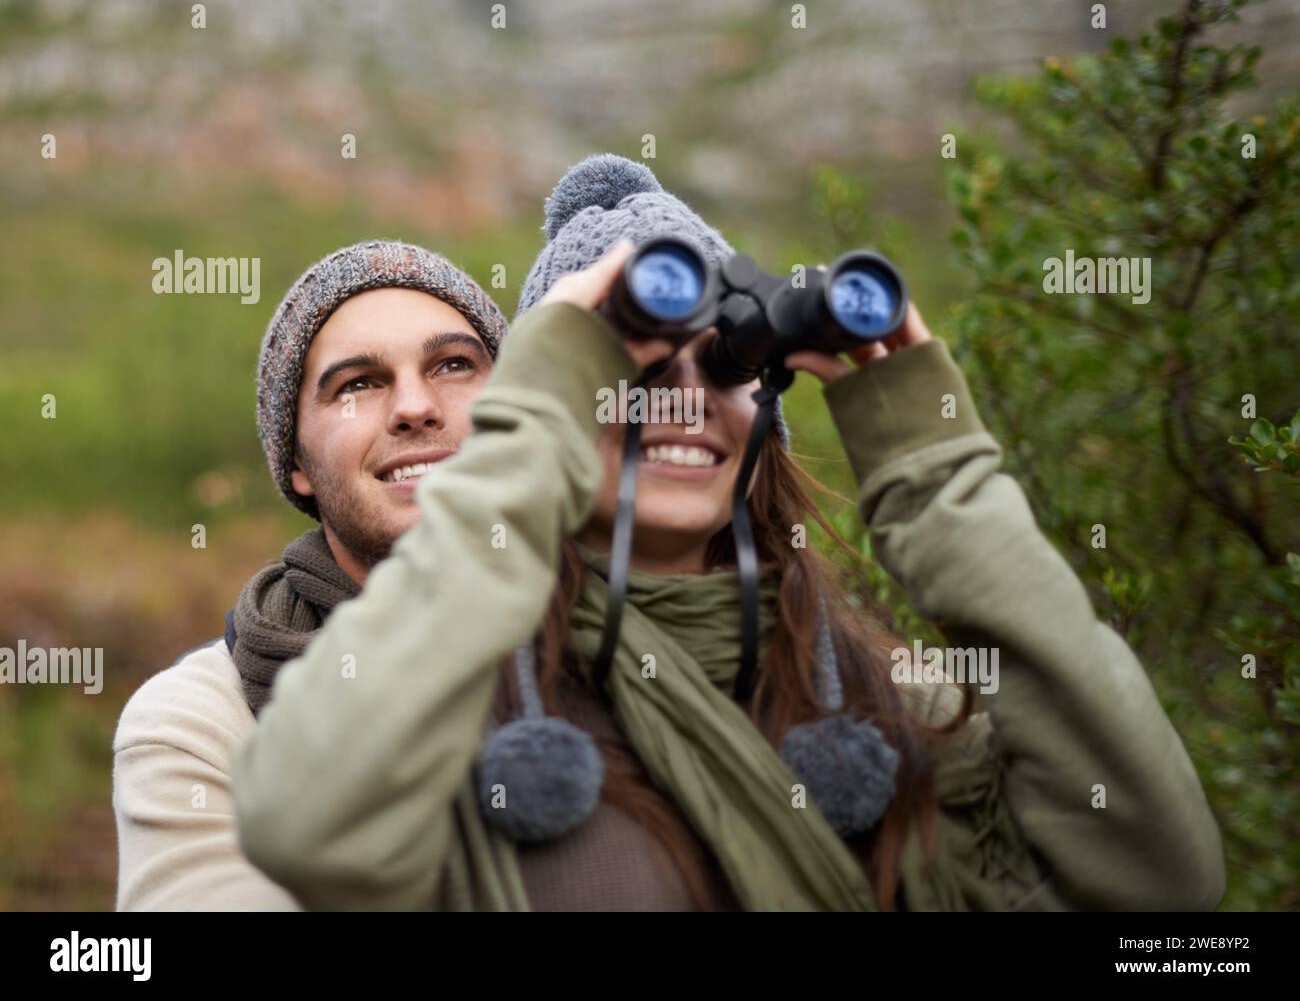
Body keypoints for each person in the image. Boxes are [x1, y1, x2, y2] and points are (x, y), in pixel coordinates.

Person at [231, 155, 1226, 911]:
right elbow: (302, 822)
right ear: (551, 409)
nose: (685, 399)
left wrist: (940, 480)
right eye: (635, 367)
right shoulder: (451, 713)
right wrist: (530, 423)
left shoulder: (892, 707)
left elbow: (1162, 884)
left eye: (728, 363)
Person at [111, 241, 508, 910]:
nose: (415, 405)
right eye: (359, 382)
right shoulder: (201, 723)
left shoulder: (626, 651)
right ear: (297, 463)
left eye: (454, 365)